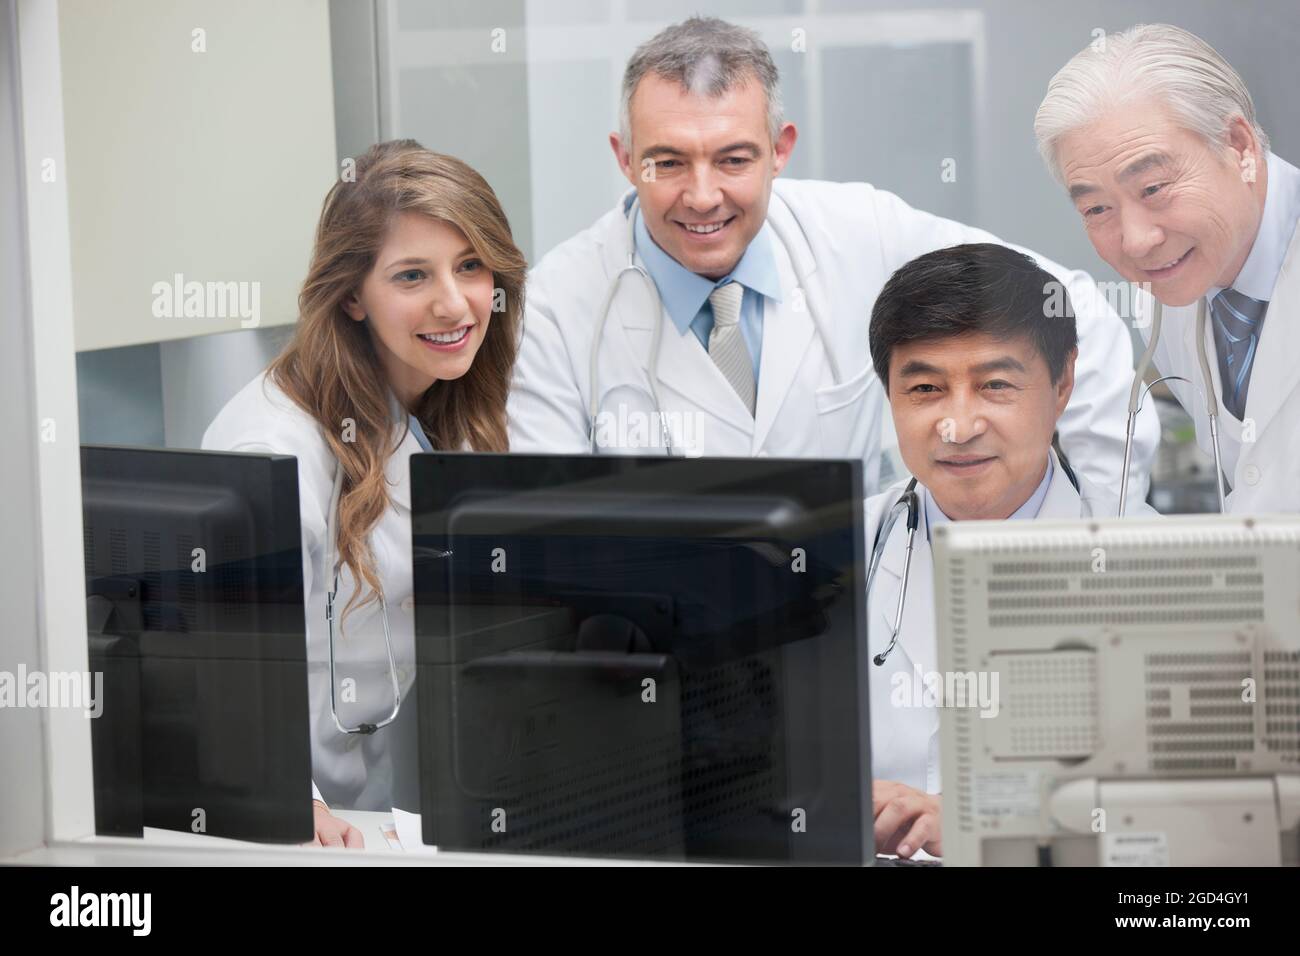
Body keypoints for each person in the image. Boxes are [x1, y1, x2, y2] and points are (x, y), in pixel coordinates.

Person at [508, 15, 1158, 500]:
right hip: (658, 657)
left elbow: (1069, 309)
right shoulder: (557, 309)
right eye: (668, 162)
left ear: (780, 149)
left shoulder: (864, 232)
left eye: (734, 160)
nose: (702, 197)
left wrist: (1092, 525)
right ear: (626, 158)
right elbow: (540, 524)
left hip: (852, 638)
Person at [202, 140, 526, 847]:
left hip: (375, 816)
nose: (454, 302)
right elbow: (220, 681)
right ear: (351, 294)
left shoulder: (451, 408)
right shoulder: (274, 450)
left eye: (470, 265)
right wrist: (293, 799)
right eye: (412, 275)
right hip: (286, 826)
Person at [864, 243, 1157, 859]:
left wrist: (992, 821)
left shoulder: (1154, 561)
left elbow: (1202, 815)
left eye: (995, 384)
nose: (958, 425)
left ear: (1063, 383)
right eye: (924, 388)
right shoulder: (836, 552)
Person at [1036, 23, 1299, 513]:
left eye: (1154, 188)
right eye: (1096, 210)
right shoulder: (1165, 295)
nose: (1137, 242)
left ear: (1239, 146)